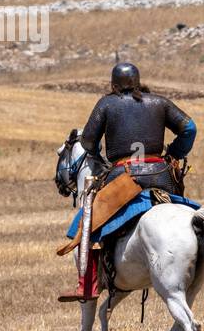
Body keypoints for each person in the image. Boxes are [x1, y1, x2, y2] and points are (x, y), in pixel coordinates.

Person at [57, 62, 196, 302]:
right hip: (162, 177)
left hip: (123, 178)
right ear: (138, 82)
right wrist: (174, 153)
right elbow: (189, 128)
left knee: (87, 222)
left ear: (113, 85)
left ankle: (87, 285)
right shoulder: (159, 102)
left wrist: (100, 155)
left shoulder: (107, 103)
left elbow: (88, 143)